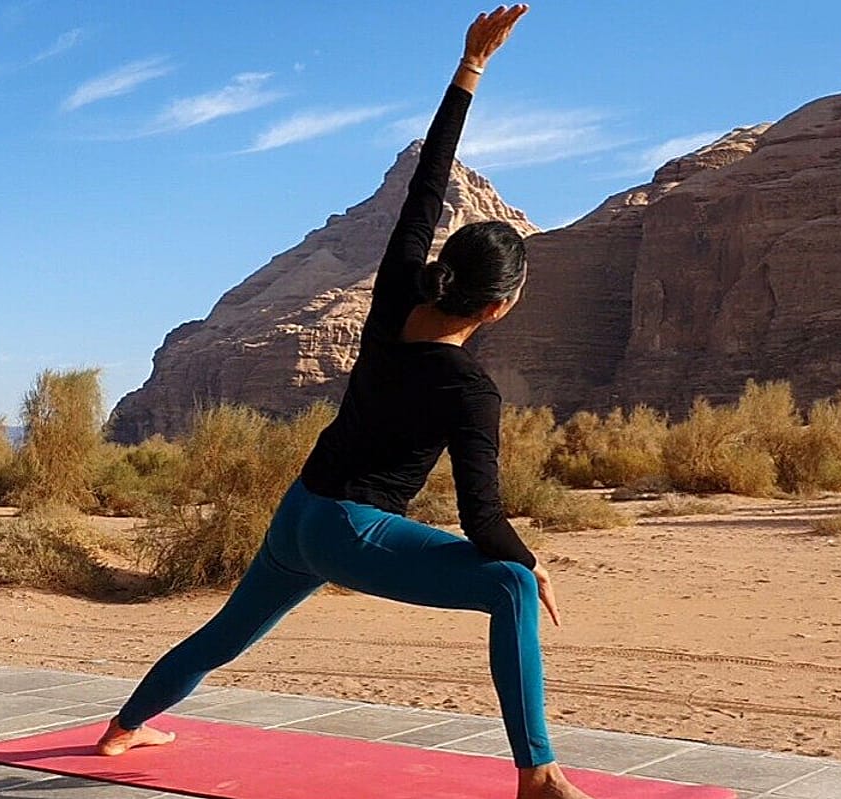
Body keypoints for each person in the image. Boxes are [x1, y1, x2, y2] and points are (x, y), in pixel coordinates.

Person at [98, 6, 596, 798]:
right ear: (498, 308)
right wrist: (530, 565)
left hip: (300, 511)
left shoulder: (397, 292)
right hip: (348, 529)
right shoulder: (471, 388)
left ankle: (123, 727)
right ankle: (537, 773)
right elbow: (482, 518)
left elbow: (427, 188)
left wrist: (470, 68)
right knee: (506, 587)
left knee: (226, 633)